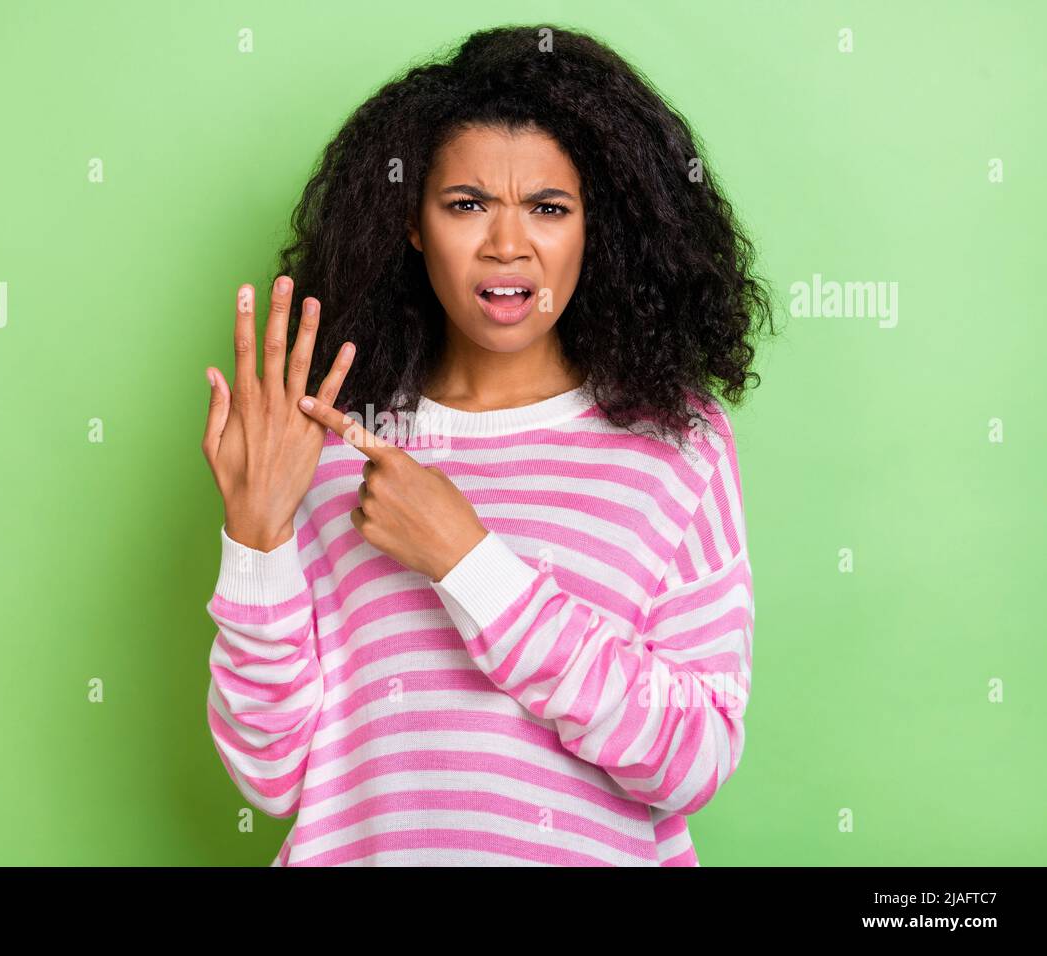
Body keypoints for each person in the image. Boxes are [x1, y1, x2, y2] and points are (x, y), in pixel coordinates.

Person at [200, 24, 774, 866]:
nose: (508, 244)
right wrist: (256, 538)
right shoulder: (324, 440)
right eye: (466, 204)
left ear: (596, 227)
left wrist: (468, 561)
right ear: (412, 224)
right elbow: (273, 776)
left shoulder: (675, 444)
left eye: (549, 207)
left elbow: (693, 760)